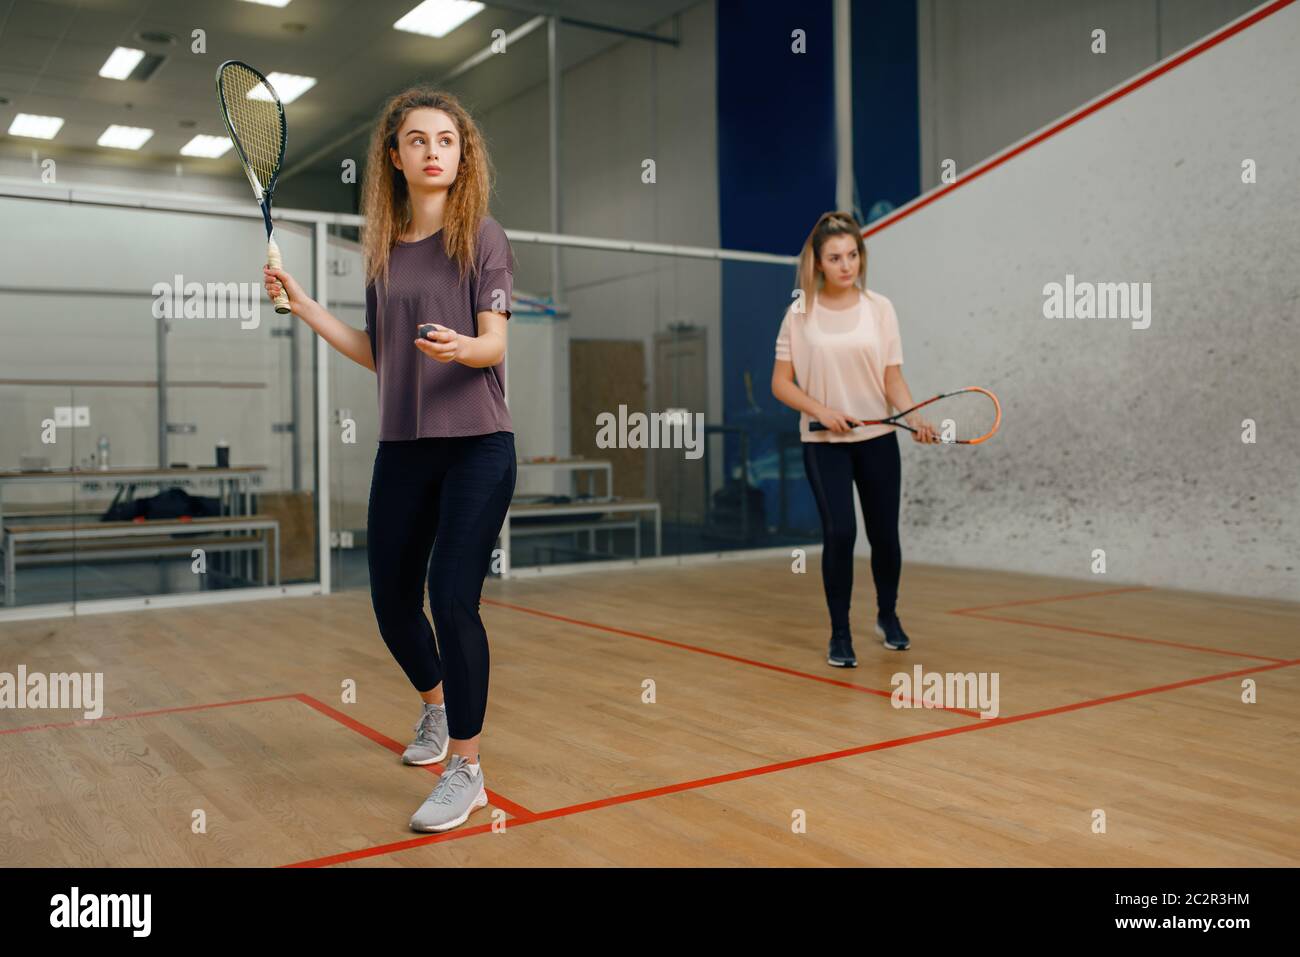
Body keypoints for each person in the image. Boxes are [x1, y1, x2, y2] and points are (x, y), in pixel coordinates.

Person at [264, 87, 516, 832]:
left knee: (453, 594)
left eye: (446, 139)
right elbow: (380, 354)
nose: (432, 150)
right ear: (394, 156)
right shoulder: (382, 250)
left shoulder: (484, 236)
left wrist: (463, 347)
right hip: (404, 448)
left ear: (462, 155)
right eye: (417, 139)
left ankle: (466, 768)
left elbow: (495, 342)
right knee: (389, 601)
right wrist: (306, 307)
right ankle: (435, 709)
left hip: (478, 444)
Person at [770, 212, 936, 667]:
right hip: (824, 445)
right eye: (835, 258)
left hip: (879, 439)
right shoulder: (800, 313)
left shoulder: (880, 308)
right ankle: (840, 634)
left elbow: (893, 379)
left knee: (885, 535)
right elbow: (780, 383)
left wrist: (916, 416)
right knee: (841, 533)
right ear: (819, 263)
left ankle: (888, 615)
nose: (847, 265)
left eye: (853, 255)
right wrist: (820, 409)